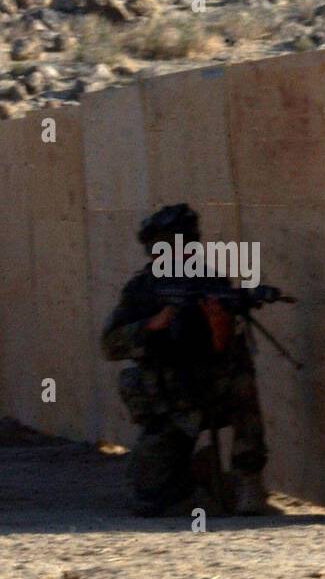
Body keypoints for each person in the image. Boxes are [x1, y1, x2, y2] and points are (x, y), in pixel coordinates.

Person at [101, 204, 270, 516]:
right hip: (169, 406)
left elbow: (225, 350)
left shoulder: (211, 284)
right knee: (148, 498)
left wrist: (219, 324)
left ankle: (248, 479)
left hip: (211, 392)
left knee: (243, 379)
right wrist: (154, 323)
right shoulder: (143, 289)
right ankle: (200, 475)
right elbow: (110, 345)